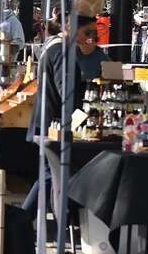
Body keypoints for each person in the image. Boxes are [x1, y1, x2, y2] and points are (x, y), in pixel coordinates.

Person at [24, 16, 104, 222]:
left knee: (48, 175)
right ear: (71, 28)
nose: (91, 38)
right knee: (51, 175)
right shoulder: (61, 51)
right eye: (88, 33)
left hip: (49, 121)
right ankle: (23, 218)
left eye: (94, 34)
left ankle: (24, 219)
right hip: (55, 124)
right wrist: (76, 121)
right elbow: (65, 93)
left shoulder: (55, 46)